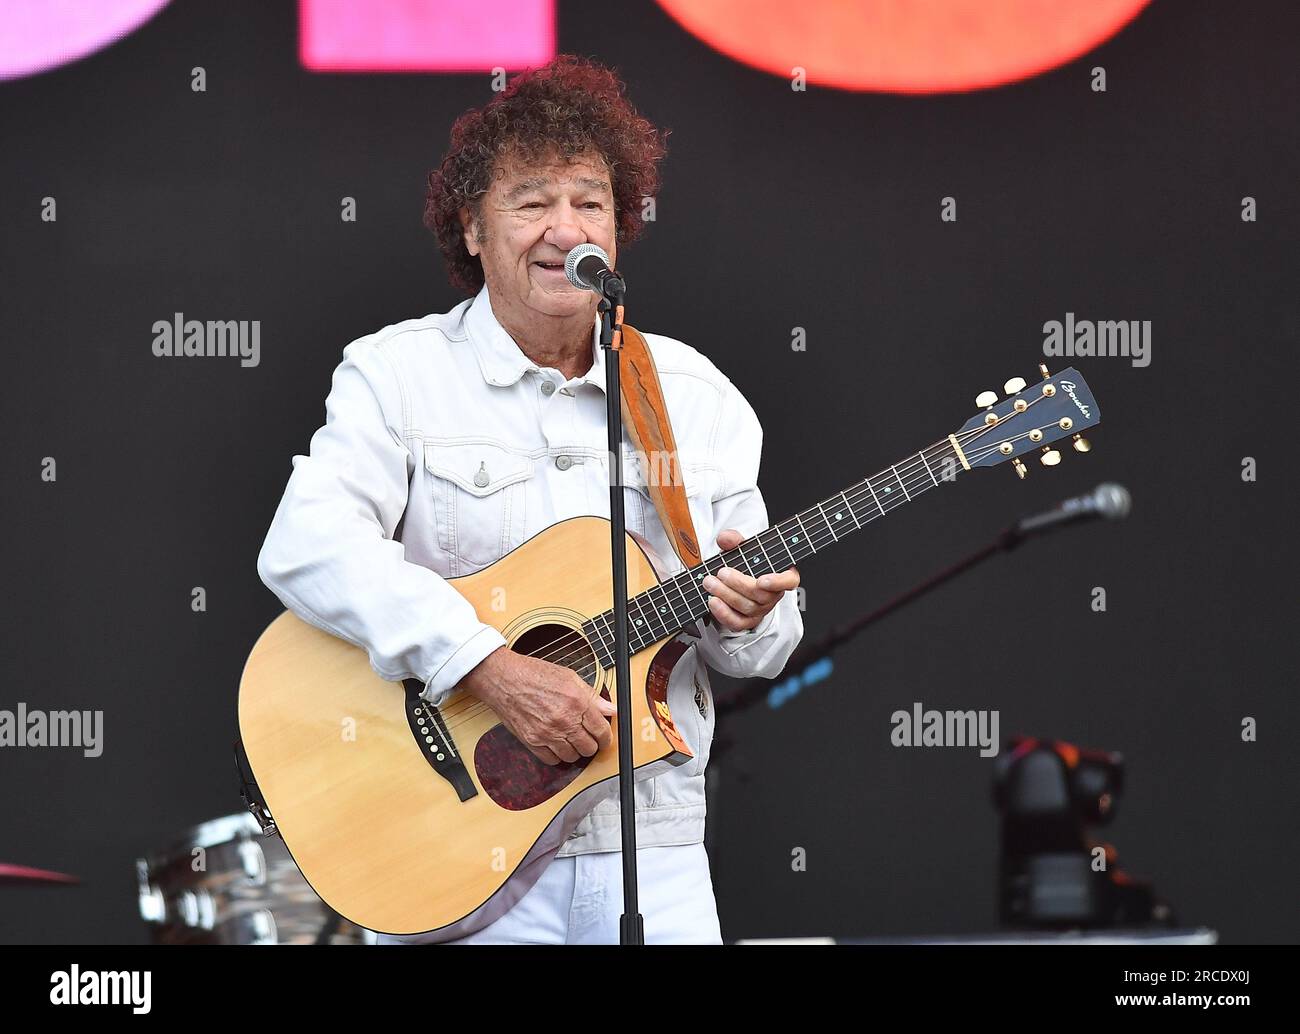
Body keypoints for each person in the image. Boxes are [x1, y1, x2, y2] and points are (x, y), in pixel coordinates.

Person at [256, 54, 803, 944]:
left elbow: (761, 653)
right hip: (457, 847)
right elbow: (304, 543)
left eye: (590, 202)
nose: (565, 227)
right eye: (531, 201)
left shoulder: (692, 396)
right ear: (472, 228)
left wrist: (747, 618)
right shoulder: (398, 374)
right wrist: (485, 667)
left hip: (651, 849)